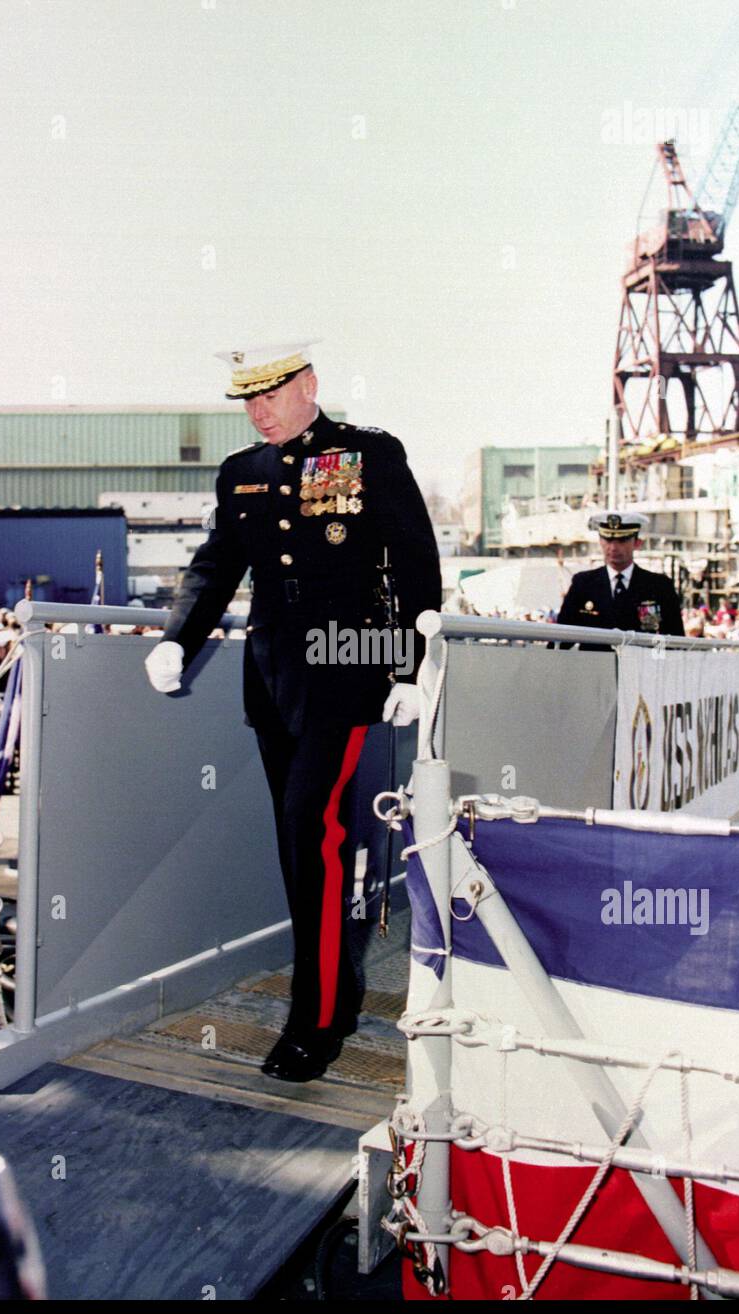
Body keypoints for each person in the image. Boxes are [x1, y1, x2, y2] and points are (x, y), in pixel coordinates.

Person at [145, 342, 441, 1083]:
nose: (258, 411)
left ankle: (316, 1019)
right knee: (297, 843)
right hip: (273, 676)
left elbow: (412, 561)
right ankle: (334, 993)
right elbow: (217, 565)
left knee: (315, 829)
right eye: (247, 400)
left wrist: (408, 665)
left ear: (309, 385)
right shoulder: (240, 473)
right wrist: (177, 638)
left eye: (270, 395)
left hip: (347, 667)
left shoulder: (367, 456)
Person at [555, 511, 684, 637]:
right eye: (608, 540)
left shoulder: (659, 586)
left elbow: (675, 639)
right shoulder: (583, 584)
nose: (613, 548)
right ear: (600, 541)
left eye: (621, 540)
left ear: (637, 543)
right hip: (595, 659)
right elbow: (561, 638)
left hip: (641, 658)